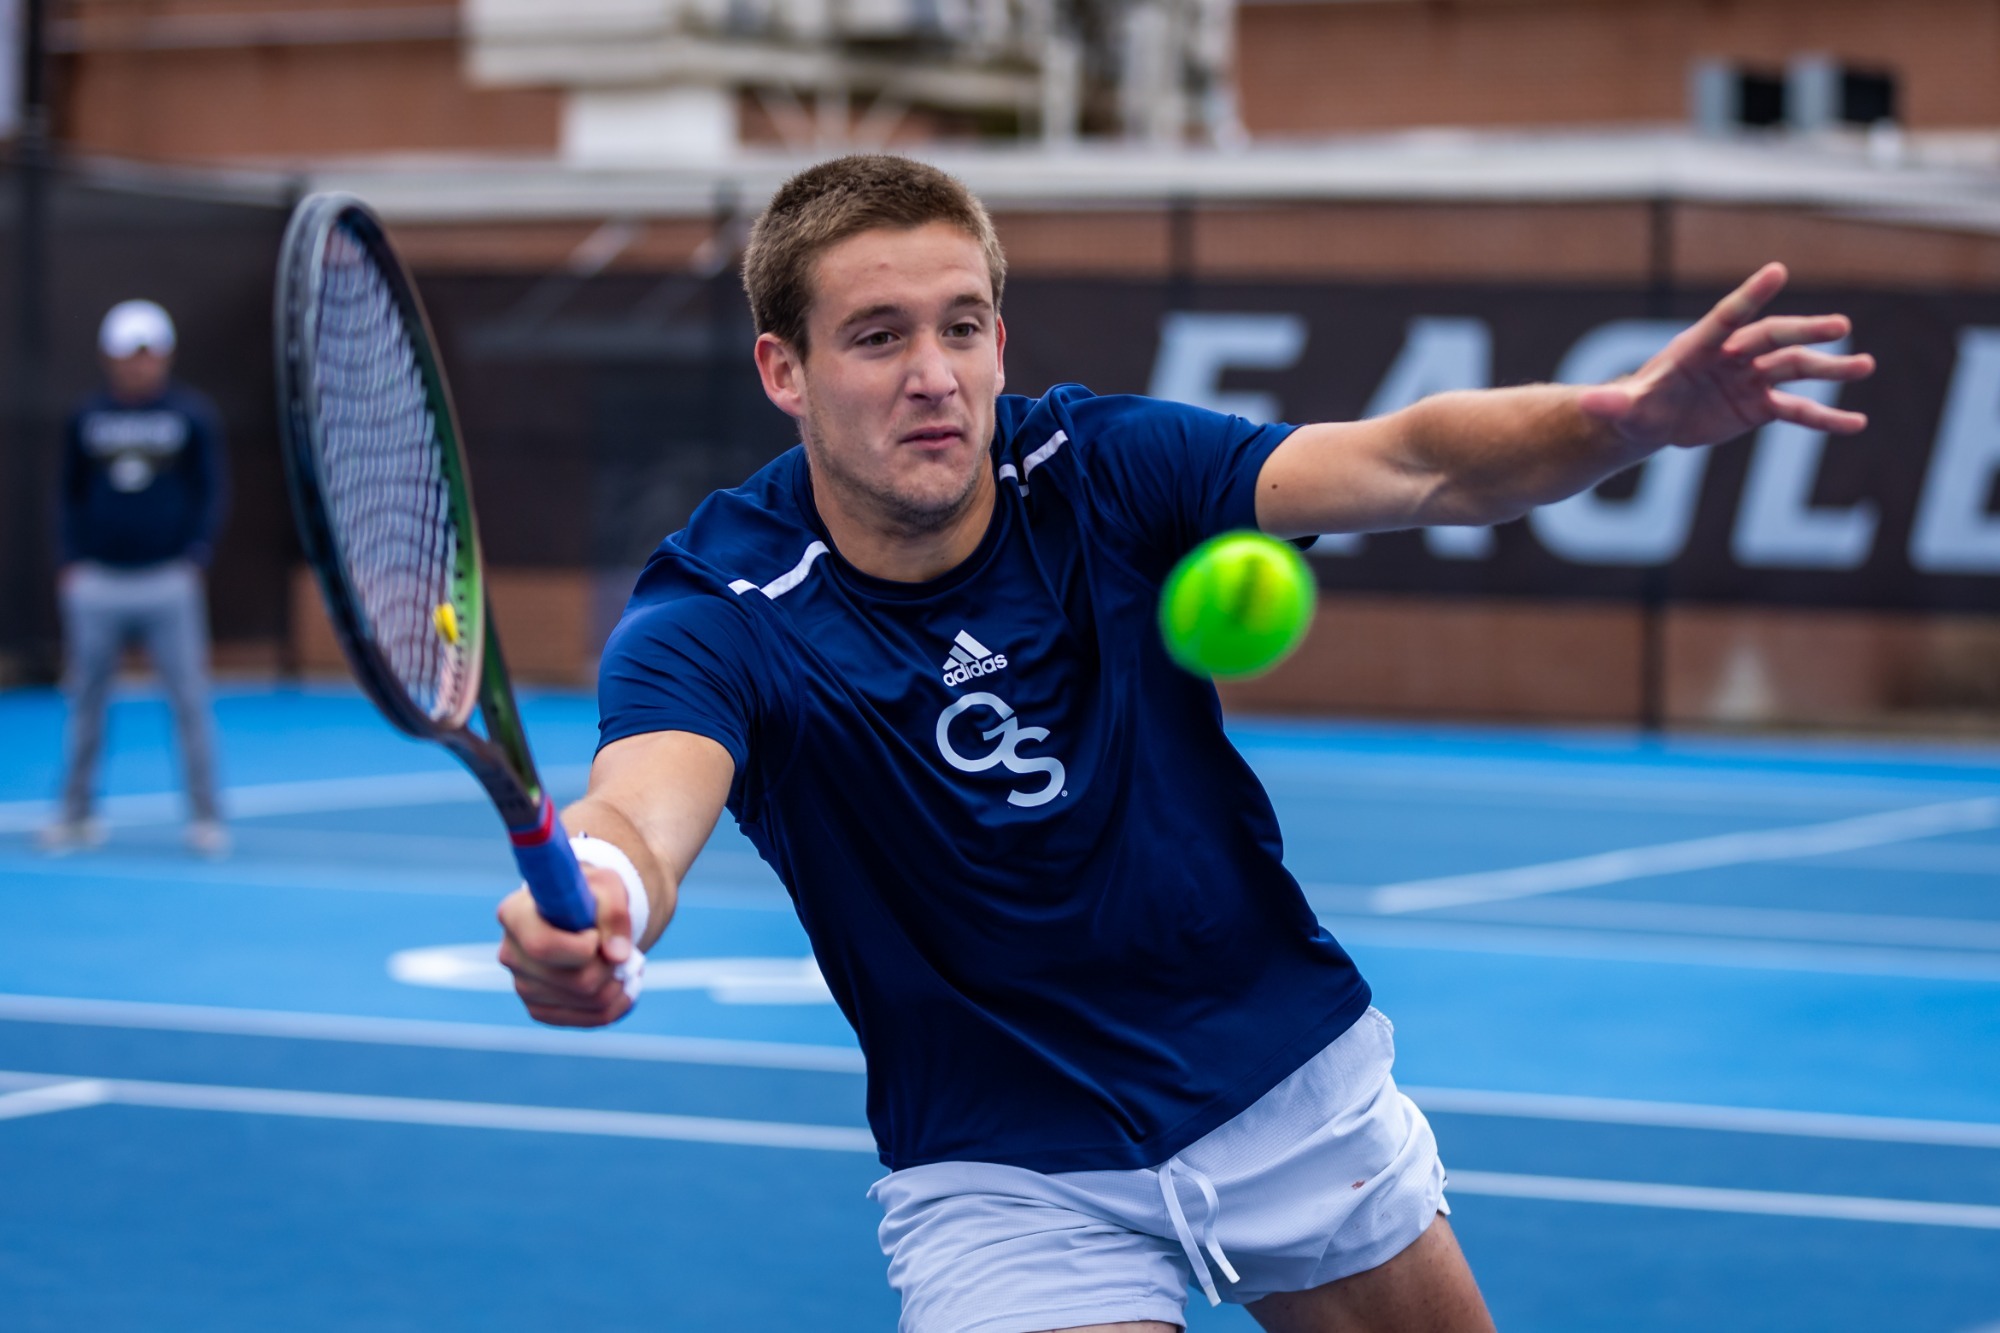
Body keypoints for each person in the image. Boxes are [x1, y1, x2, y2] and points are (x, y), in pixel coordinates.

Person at [496, 156, 1874, 1332]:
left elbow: (1412, 461)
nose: (935, 377)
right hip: (1004, 1159)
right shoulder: (719, 611)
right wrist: (604, 897)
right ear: (782, 370)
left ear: (999, 341)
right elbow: (640, 807)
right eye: (878, 336)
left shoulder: (1095, 468)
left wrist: (1616, 422)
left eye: (963, 327)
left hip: (1275, 1072)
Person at [42, 299, 230, 859]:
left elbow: (211, 488)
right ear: (109, 358)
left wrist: (195, 553)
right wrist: (72, 561)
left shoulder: (191, 416)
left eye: (148, 354)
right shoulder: (86, 417)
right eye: (129, 355)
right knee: (86, 701)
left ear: (164, 356)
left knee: (189, 699)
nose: (138, 365)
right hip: (97, 582)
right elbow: (68, 493)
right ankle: (75, 814)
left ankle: (205, 817)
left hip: (168, 580)